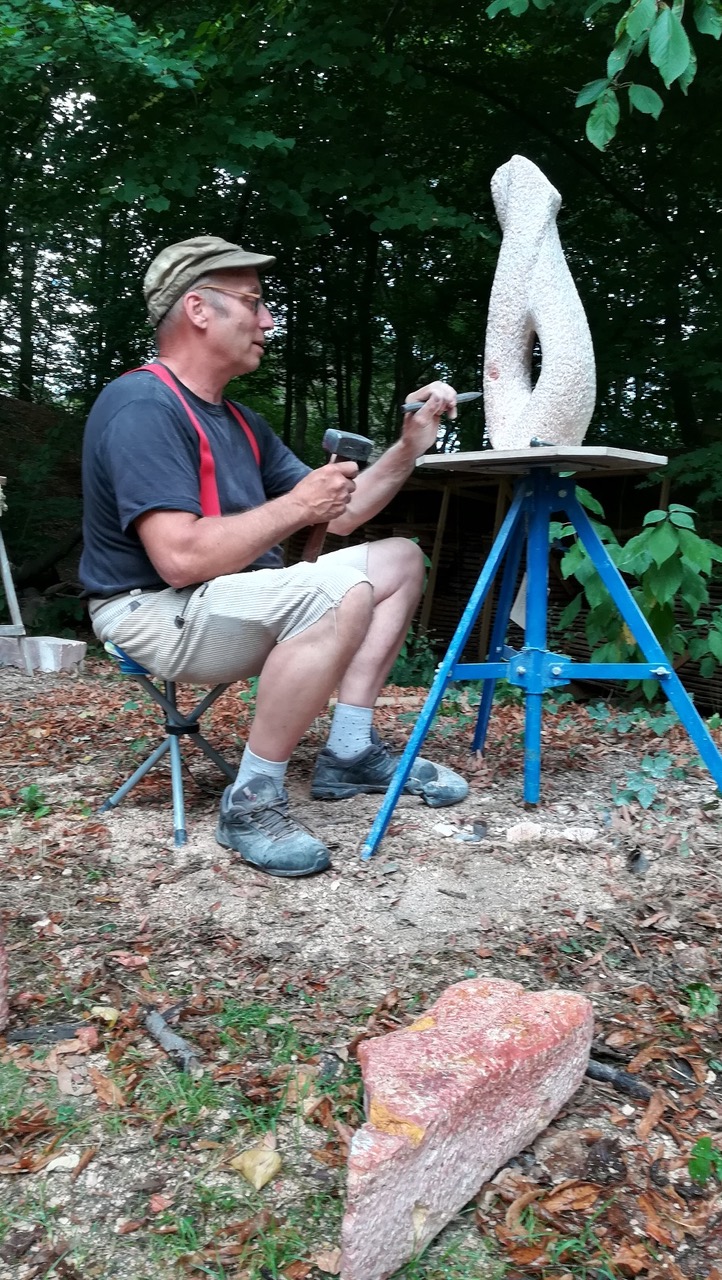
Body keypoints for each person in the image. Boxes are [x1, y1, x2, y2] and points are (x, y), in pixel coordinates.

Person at [80, 235, 468, 878]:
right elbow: (176, 558)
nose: (267, 322)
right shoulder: (142, 406)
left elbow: (340, 511)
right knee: (334, 592)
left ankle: (347, 753)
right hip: (151, 608)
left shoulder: (239, 423)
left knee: (398, 560)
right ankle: (251, 801)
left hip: (226, 598)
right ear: (199, 310)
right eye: (254, 303)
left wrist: (409, 446)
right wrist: (294, 508)